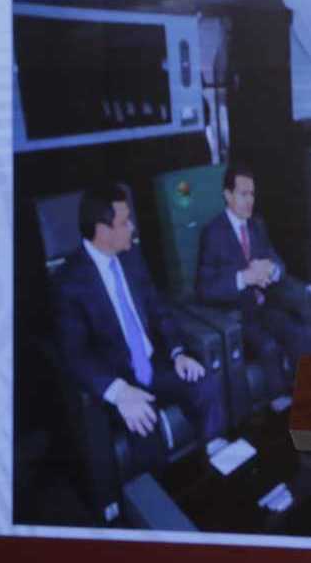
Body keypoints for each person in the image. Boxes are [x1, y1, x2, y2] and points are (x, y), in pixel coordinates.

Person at [55, 184, 226, 449]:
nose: (133, 227)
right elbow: (75, 354)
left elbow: (158, 309)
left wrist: (178, 353)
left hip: (153, 365)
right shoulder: (69, 283)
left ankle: (217, 459)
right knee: (145, 429)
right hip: (117, 377)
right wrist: (118, 392)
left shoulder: (131, 256)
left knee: (205, 385)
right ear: (102, 231)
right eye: (125, 222)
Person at [195, 165, 311, 403]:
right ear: (228, 195)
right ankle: (280, 407)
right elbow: (204, 289)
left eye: (252, 194)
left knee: (299, 334)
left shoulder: (256, 225)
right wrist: (244, 278)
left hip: (264, 308)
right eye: (243, 194)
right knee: (268, 348)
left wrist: (272, 270)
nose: (250, 200)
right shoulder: (212, 233)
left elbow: (279, 263)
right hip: (236, 317)